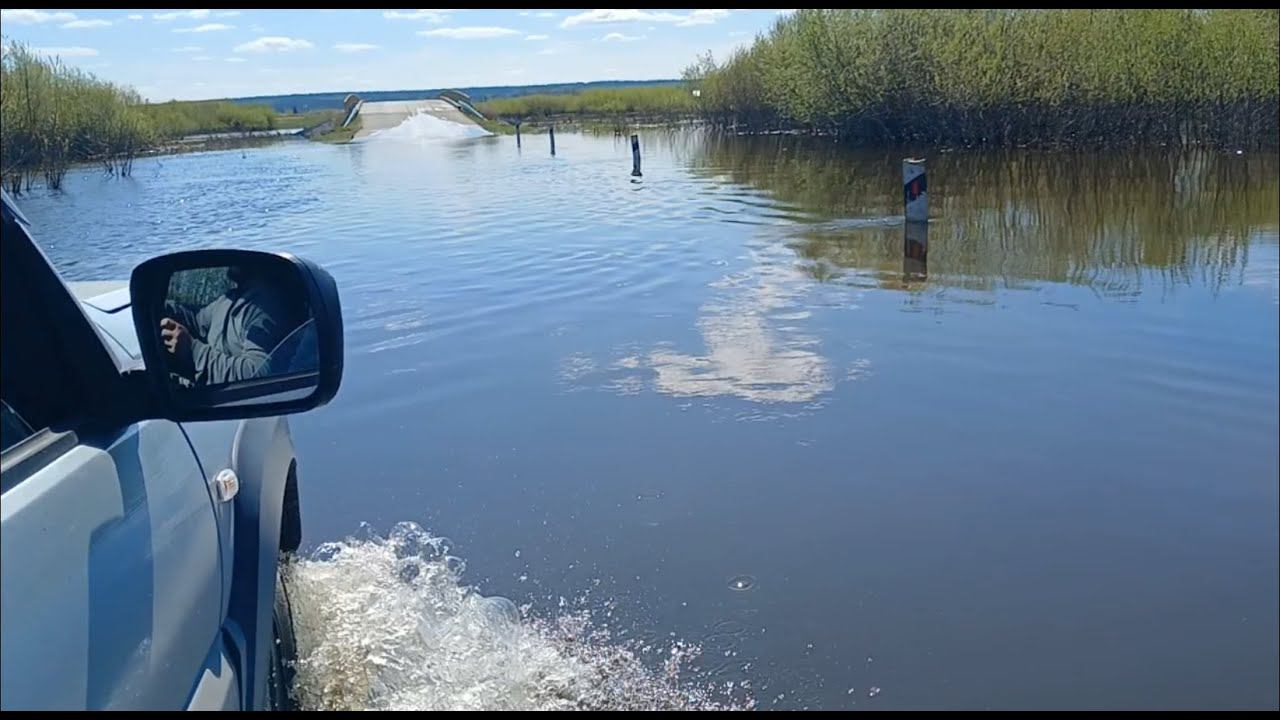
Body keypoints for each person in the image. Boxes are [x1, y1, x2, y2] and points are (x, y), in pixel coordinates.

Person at [160, 265, 300, 387]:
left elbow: (258, 374)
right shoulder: (230, 298)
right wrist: (162, 308)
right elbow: (197, 321)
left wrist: (193, 351)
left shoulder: (269, 305)